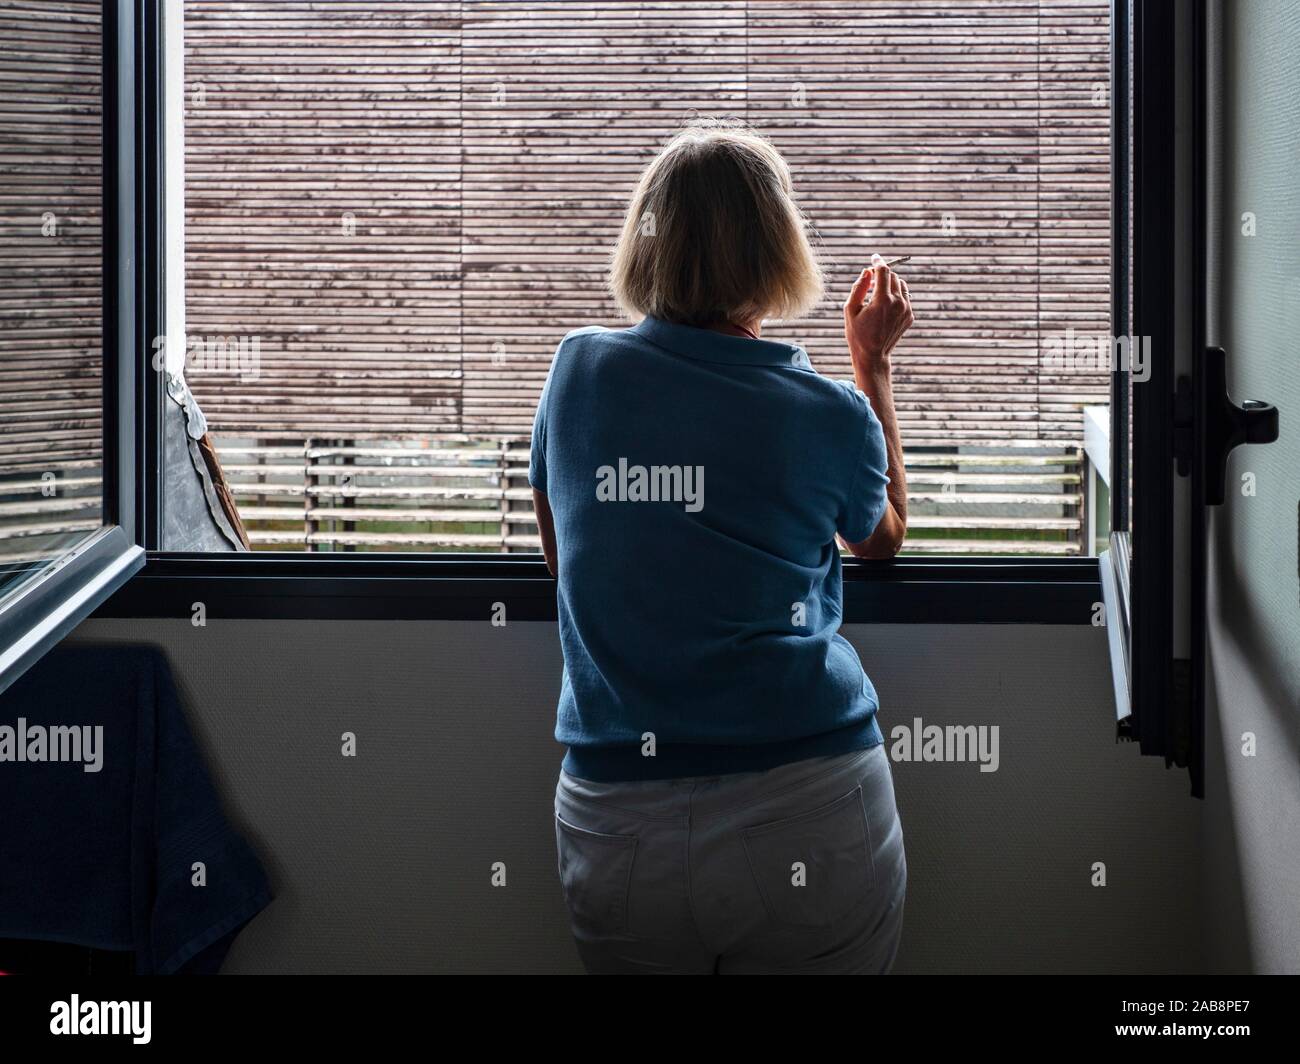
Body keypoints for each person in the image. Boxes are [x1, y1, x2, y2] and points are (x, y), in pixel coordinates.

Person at [529, 122, 914, 974]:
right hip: (805, 795)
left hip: (618, 820)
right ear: (777, 250)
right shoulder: (825, 411)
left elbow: (566, 562)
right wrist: (872, 369)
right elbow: (881, 539)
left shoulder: (577, 373)